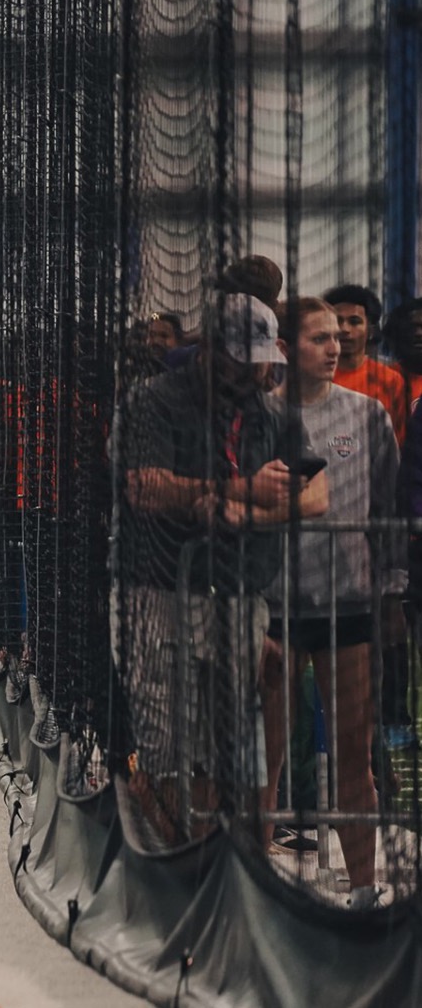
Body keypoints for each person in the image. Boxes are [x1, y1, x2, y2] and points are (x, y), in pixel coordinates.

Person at [114, 293, 324, 847]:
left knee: (226, 747)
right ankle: (177, 854)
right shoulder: (157, 401)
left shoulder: (269, 413)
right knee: (171, 749)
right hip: (160, 592)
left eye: (257, 359)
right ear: (207, 349)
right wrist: (234, 490)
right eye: (237, 358)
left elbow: (313, 495)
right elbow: (143, 486)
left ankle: (209, 858)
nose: (249, 371)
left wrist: (244, 509)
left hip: (238, 596)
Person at [261, 297, 400, 908]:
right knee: (264, 760)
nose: (334, 345)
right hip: (276, 610)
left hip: (348, 608)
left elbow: (391, 511)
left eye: (336, 336)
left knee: (353, 758)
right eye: (318, 338)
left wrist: (391, 587)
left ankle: (366, 889)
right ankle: (253, 886)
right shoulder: (258, 416)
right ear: (286, 349)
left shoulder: (368, 416)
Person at [323, 284, 407, 441]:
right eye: (337, 320)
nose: (344, 329)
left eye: (354, 322)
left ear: (371, 330)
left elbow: (397, 439)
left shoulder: (390, 381)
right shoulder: (314, 375)